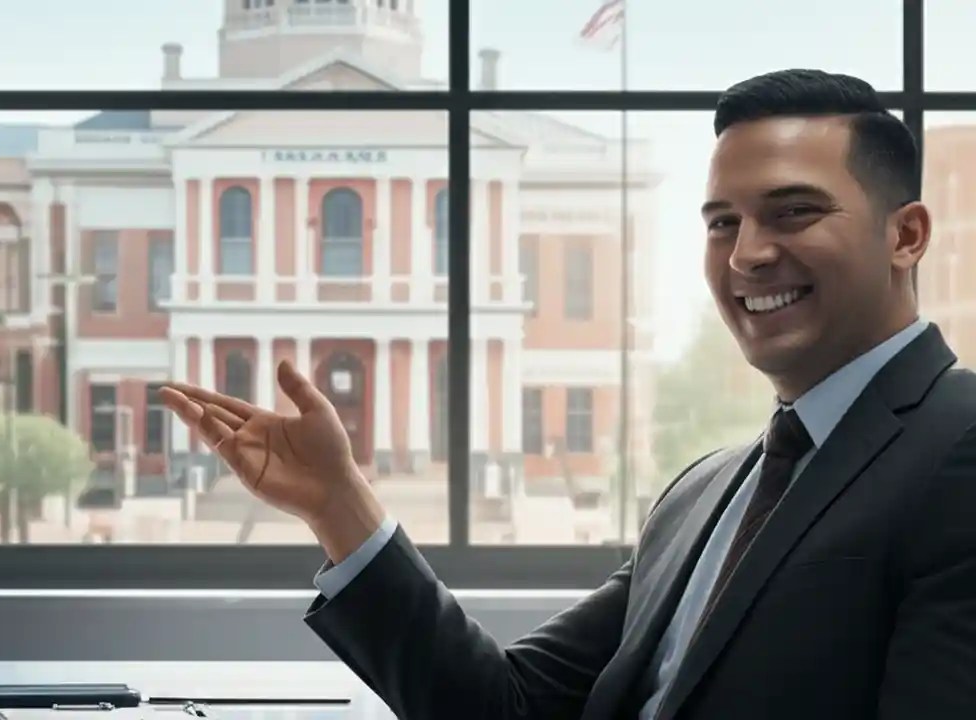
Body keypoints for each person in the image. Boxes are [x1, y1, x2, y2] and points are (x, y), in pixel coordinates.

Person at [160, 68, 976, 719]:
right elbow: (502, 708)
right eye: (722, 222)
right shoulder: (703, 493)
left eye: (793, 213)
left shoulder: (960, 445)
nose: (746, 256)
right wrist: (339, 505)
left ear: (905, 235)